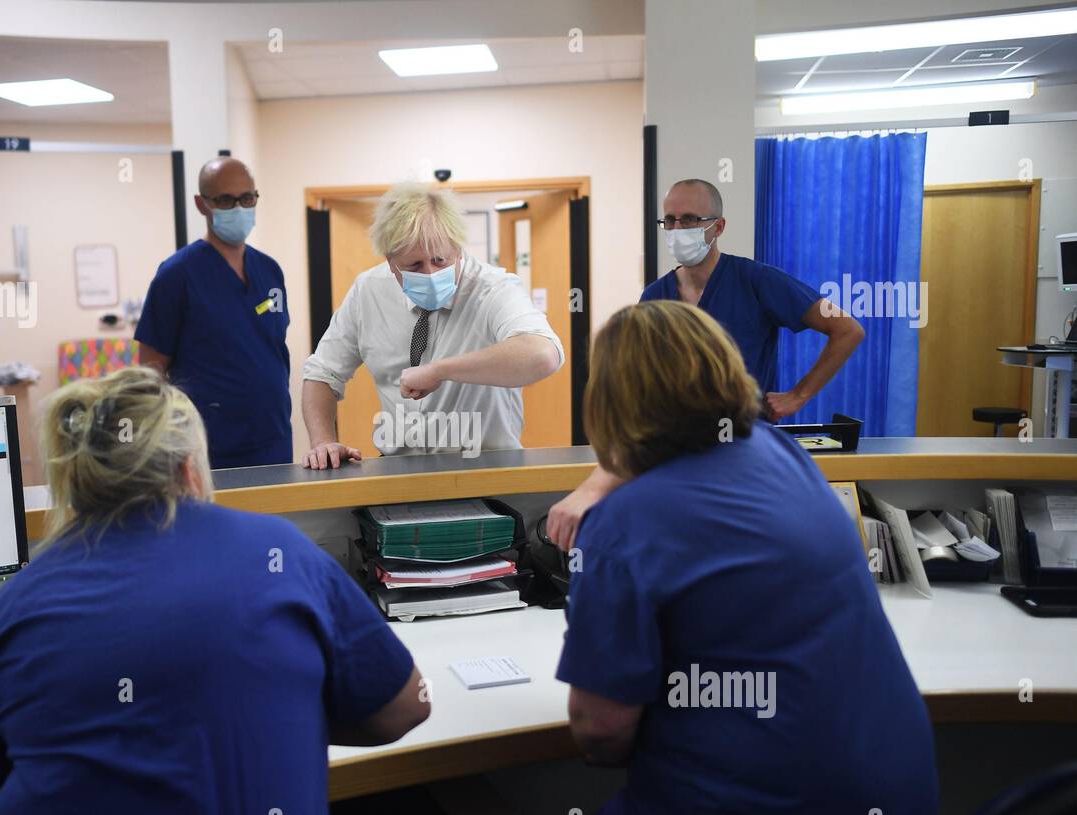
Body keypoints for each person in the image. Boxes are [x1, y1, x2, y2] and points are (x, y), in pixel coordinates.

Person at [0, 367, 428, 815]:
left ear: (75, 484)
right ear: (188, 469)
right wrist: (282, 716)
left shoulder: (16, 603)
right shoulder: (279, 553)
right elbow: (403, 709)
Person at [555, 301, 937, 815]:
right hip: (897, 813)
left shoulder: (625, 525)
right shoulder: (785, 456)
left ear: (607, 400)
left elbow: (600, 731)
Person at [546, 178, 865, 550]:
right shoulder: (656, 296)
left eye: (690, 219)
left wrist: (798, 396)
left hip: (744, 455)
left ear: (718, 226)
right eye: (670, 220)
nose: (678, 229)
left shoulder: (756, 281)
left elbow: (847, 330)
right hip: (672, 457)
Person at [300, 182, 564, 469]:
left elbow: (542, 354)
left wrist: (440, 370)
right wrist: (323, 441)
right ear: (390, 261)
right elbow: (322, 373)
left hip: (487, 470)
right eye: (414, 265)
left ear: (459, 249)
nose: (430, 273)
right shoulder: (369, 291)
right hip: (400, 470)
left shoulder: (494, 289)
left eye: (440, 260)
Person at [135, 157, 292, 468]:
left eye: (247, 198)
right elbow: (150, 371)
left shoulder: (269, 270)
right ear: (201, 204)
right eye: (225, 200)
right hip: (207, 450)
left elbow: (271, 348)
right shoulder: (177, 275)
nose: (238, 208)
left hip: (274, 439)